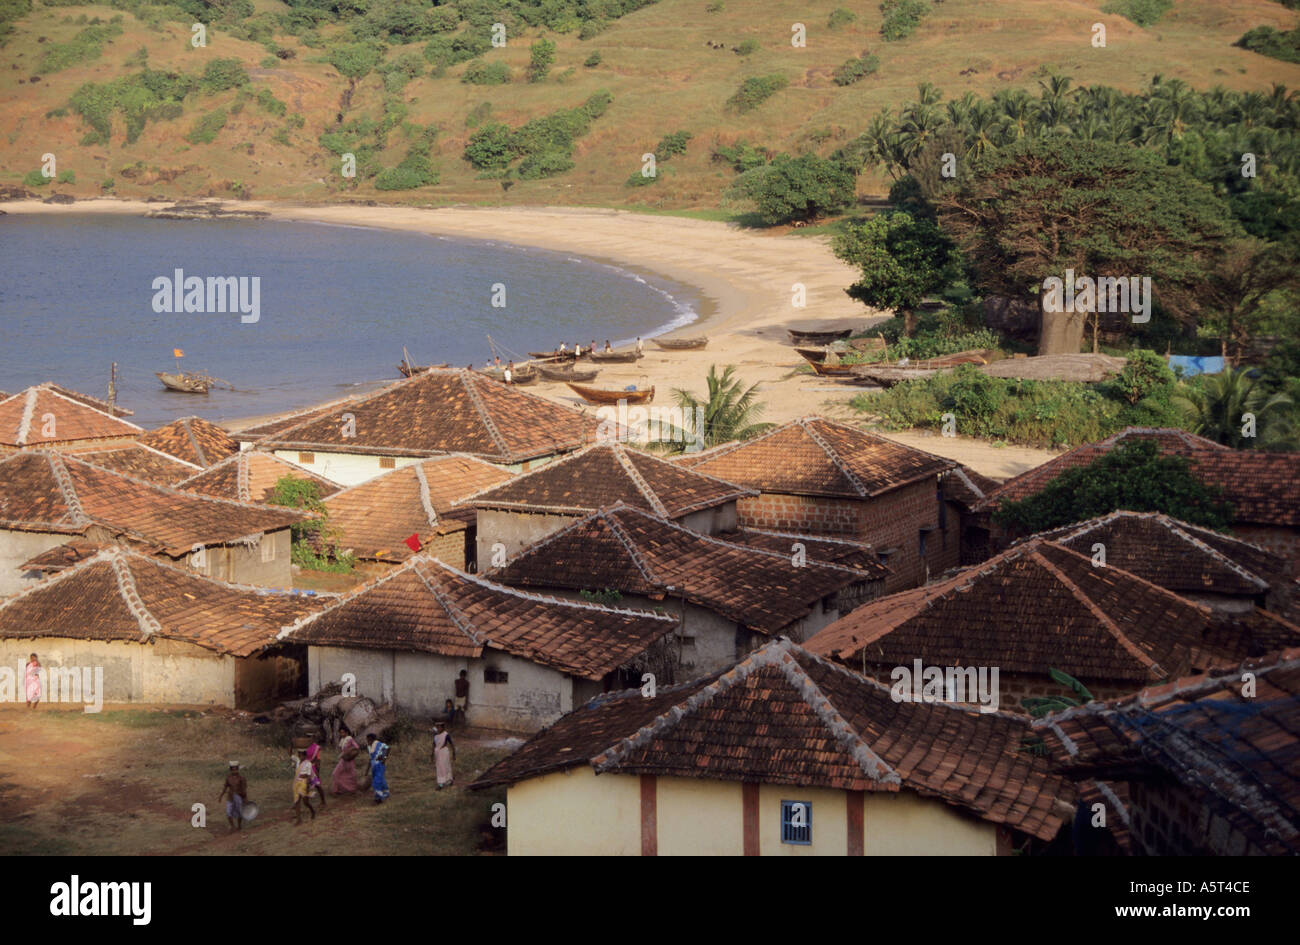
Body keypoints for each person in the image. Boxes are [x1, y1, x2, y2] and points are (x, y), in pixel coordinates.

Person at [218, 762, 248, 832]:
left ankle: (239, 826)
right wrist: (221, 796)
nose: (234, 770)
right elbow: (225, 787)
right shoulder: (228, 778)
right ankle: (232, 826)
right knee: (228, 812)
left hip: (239, 796)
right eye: (233, 769)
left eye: (235, 768)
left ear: (237, 769)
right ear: (231, 769)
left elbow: (244, 789)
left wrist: (245, 799)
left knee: (240, 812)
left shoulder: (241, 778)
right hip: (230, 797)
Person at [332, 725, 361, 796]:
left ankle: (352, 790)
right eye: (340, 733)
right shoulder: (342, 740)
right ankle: (336, 790)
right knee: (335, 773)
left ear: (347, 732)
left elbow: (357, 747)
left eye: (343, 732)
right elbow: (342, 750)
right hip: (343, 759)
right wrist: (341, 755)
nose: (341, 734)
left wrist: (349, 751)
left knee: (351, 775)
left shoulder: (349, 739)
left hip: (350, 759)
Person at [292, 748, 316, 824]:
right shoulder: (298, 761)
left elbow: (308, 776)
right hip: (297, 782)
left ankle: (312, 811)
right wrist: (291, 745)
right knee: (297, 801)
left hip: (303, 783)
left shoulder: (308, 763)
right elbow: (290, 754)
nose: (300, 756)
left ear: (305, 755)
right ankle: (299, 820)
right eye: (299, 754)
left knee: (305, 802)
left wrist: (308, 787)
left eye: (301, 755)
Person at [366, 733, 390, 804]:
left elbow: (387, 748)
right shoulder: (369, 747)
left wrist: (384, 758)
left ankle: (378, 798)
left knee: (376, 782)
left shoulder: (378, 744)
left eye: (368, 739)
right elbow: (370, 759)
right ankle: (385, 793)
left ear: (371, 739)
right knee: (381, 780)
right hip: (374, 766)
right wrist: (367, 770)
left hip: (380, 765)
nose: (367, 741)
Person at [431, 724, 456, 789]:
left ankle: (449, 781)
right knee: (439, 768)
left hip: (444, 753)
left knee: (446, 766)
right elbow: (434, 745)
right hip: (438, 753)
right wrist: (432, 755)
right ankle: (441, 783)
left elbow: (451, 744)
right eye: (437, 727)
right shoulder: (435, 736)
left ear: (442, 728)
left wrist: (454, 753)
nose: (438, 729)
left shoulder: (446, 735)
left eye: (439, 727)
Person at [305, 742, 326, 810]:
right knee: (305, 785)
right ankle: (306, 802)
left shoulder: (316, 747)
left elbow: (318, 760)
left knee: (317, 785)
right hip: (305, 768)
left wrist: (317, 771)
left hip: (312, 768)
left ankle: (323, 801)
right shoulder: (304, 745)